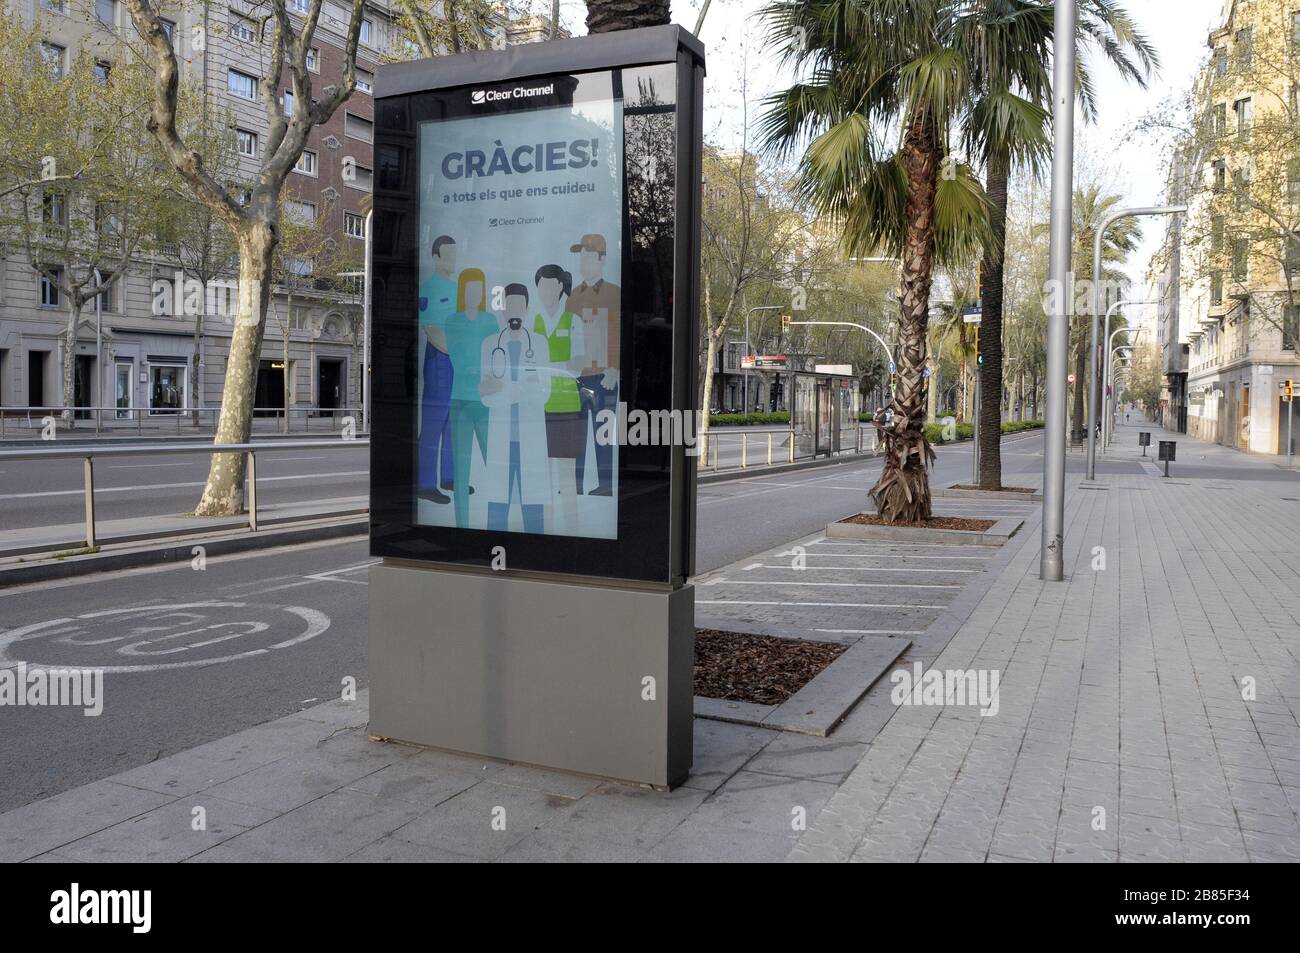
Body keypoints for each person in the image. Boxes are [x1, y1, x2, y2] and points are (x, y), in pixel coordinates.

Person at [480, 284, 550, 533]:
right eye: (510, 306)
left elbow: (544, 393)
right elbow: (485, 395)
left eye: (520, 305)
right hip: (502, 438)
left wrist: (504, 389)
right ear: (503, 311)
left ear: (527, 309)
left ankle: (538, 557)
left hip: (529, 438)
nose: (514, 311)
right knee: (497, 508)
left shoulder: (539, 344)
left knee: (533, 509)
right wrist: (519, 391)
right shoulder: (490, 344)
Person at [443, 267, 499, 528]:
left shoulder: (490, 321)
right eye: (470, 288)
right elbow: (457, 357)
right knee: (461, 469)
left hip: (485, 402)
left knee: (494, 461)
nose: (475, 294)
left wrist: (485, 373)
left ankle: (497, 522)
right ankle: (461, 524)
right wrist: (474, 369)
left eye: (479, 289)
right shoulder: (453, 320)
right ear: (463, 291)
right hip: (461, 401)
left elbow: (497, 359)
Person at [532, 264, 586, 533]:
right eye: (541, 285)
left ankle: (572, 530)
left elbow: (578, 363)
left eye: (550, 285)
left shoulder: (572, 321)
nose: (545, 290)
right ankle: (549, 530)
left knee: (566, 475)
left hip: (565, 405)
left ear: (560, 288)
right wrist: (556, 364)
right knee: (543, 477)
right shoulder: (533, 320)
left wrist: (547, 364)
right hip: (537, 406)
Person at [568, 234, 620, 498]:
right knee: (577, 433)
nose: (583, 262)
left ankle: (606, 484)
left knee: (603, 433)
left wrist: (614, 367)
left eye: (588, 257)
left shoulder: (614, 294)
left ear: (602, 259)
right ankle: (576, 484)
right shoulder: (573, 297)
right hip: (578, 375)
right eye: (581, 257)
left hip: (604, 376)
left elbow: (619, 332)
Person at [416, 236, 457, 504]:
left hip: (457, 362)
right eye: (447, 255)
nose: (452, 260)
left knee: (453, 423)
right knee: (433, 424)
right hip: (439, 360)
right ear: (435, 257)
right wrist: (457, 351)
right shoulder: (428, 289)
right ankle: (426, 484)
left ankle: (450, 478)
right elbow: (430, 329)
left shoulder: (457, 289)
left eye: (454, 255)